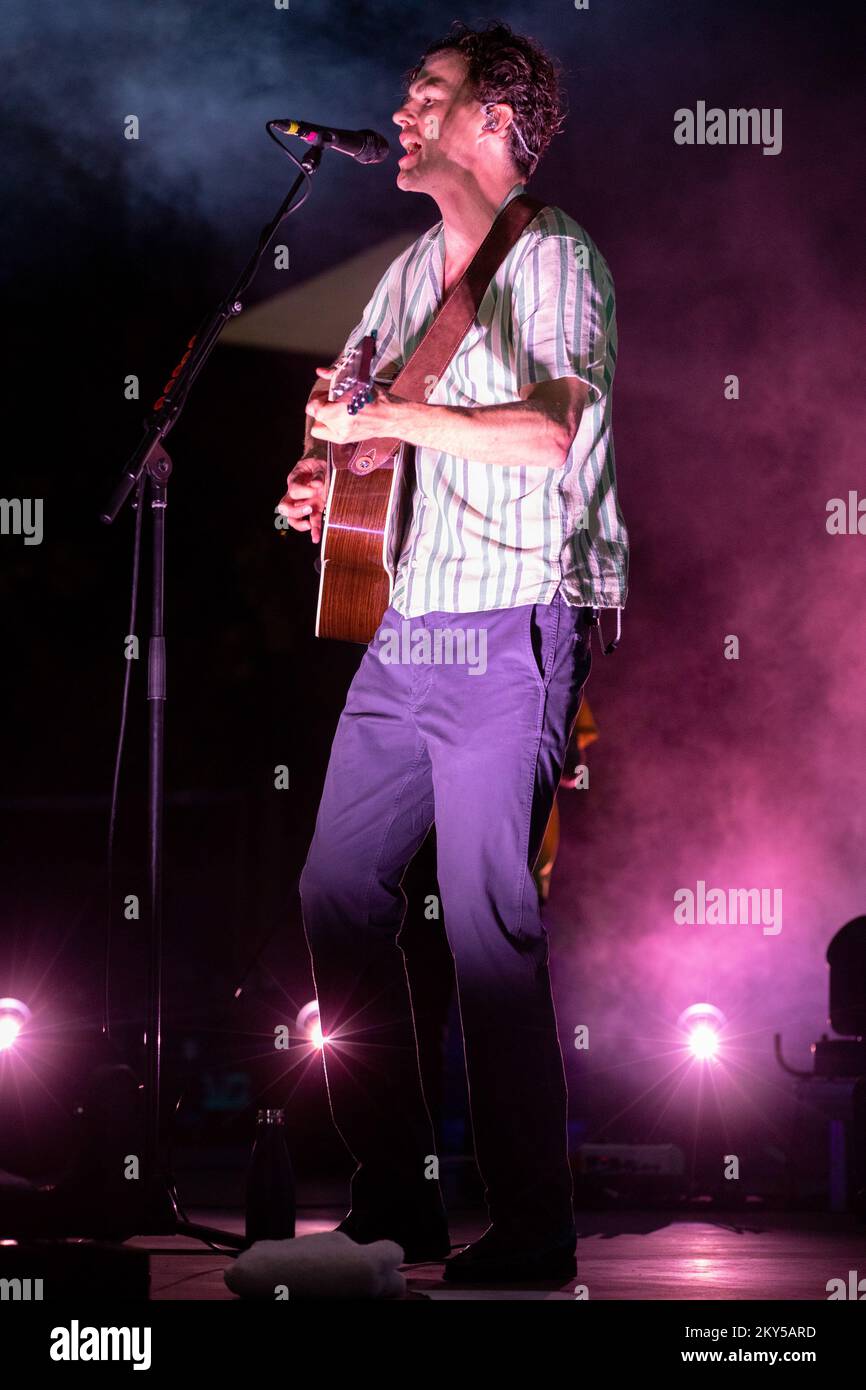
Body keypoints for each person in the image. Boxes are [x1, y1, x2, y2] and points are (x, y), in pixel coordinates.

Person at [277, 21, 628, 1284]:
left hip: (511, 624)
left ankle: (533, 1229)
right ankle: (397, 1198)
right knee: (334, 892)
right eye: (406, 92)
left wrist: (390, 418)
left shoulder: (554, 255)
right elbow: (367, 428)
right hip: (405, 629)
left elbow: (544, 436)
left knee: (487, 922)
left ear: (494, 120)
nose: (402, 110)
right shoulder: (403, 271)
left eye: (428, 94)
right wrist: (328, 482)